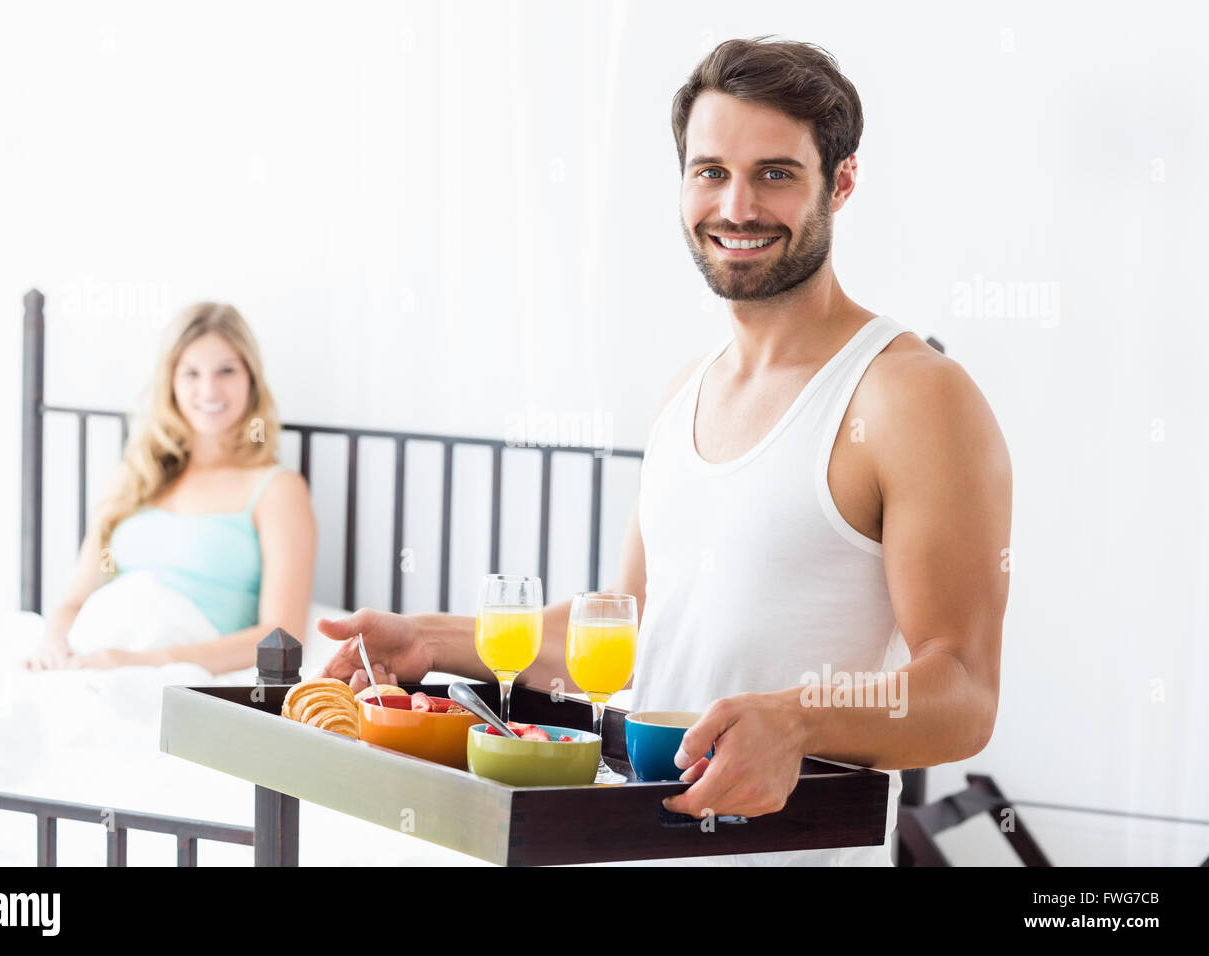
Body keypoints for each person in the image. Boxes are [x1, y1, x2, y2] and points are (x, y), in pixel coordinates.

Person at [318, 36, 1012, 865]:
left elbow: (963, 693)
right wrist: (429, 641)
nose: (738, 206)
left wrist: (798, 720)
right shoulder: (688, 389)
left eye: (777, 174)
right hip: (628, 844)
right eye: (711, 171)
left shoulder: (914, 395)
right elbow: (633, 626)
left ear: (843, 181)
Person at [26, 302, 316, 675]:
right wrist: (53, 643)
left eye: (226, 370)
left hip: (159, 672)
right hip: (86, 656)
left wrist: (137, 664)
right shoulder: (137, 475)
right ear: (171, 383)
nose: (208, 389)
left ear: (251, 379)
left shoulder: (277, 490)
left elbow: (282, 636)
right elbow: (74, 600)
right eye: (190, 373)